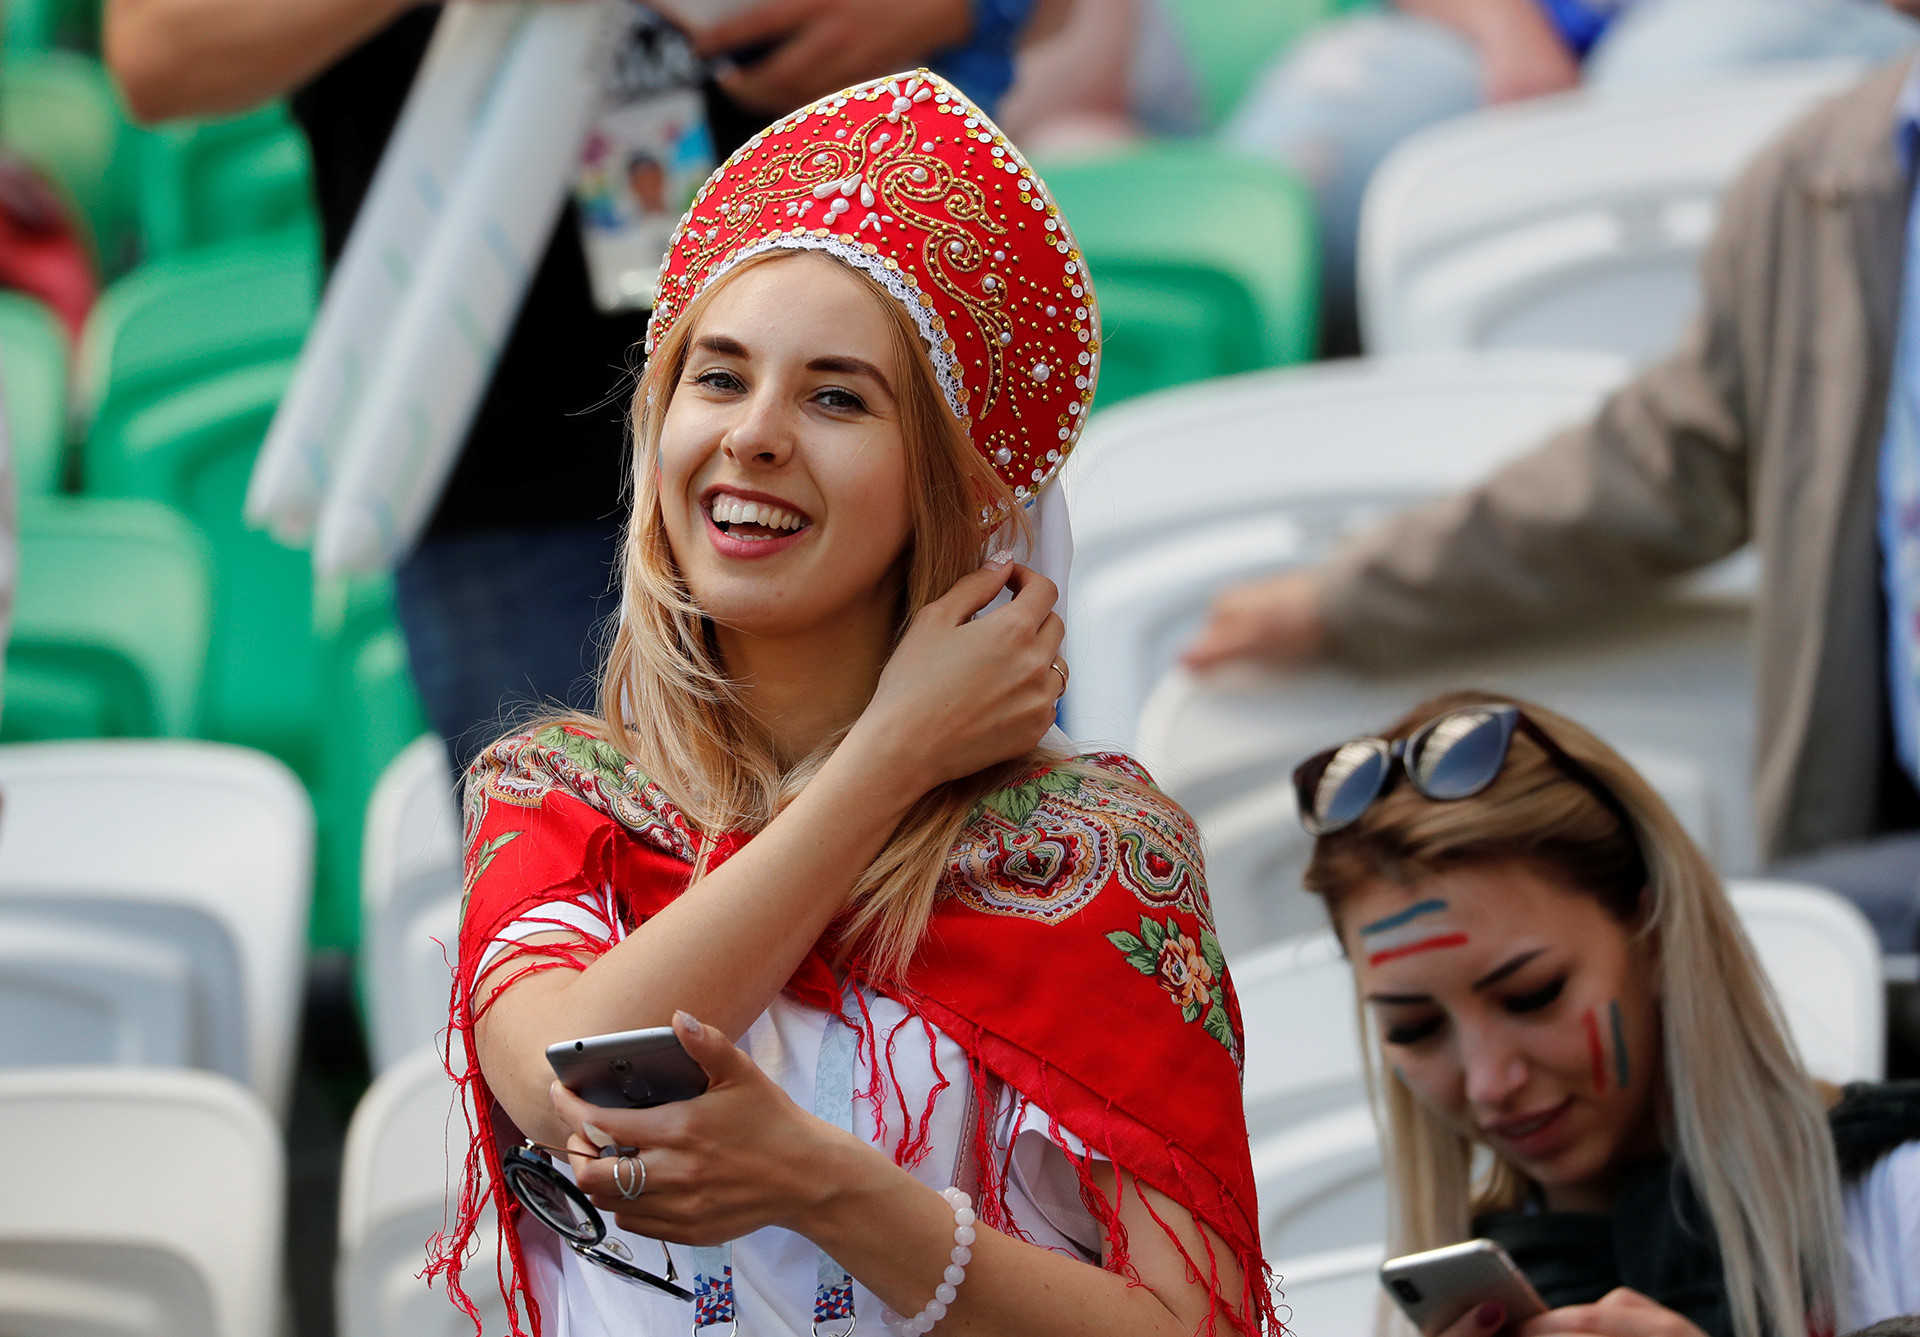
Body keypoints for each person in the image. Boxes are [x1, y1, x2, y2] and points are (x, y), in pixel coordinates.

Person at [432, 69, 1273, 1337]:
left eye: (837, 397)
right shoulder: (555, 790)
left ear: (943, 489)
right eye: (716, 380)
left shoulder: (1100, 851)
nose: (755, 435)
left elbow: (1198, 1325)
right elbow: (581, 1087)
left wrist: (830, 1187)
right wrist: (888, 758)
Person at [104, 0, 1049, 775]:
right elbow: (156, 49)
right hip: (508, 455)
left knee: (962, 890)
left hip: (871, 419)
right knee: (604, 923)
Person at [1185, 28, 1920, 956]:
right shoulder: (1820, 178)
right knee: (1713, 970)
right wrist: (1349, 593)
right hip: (1890, 853)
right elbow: (1656, 466)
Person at [1294, 690, 1920, 1337]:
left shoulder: (1893, 1198)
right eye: (1413, 1028)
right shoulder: (1434, 1305)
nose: (1489, 1080)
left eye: (1533, 994)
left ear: (1654, 933)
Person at [1224, 0, 1920, 349]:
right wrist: (1509, 32)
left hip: (1721, 34)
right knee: (1285, 180)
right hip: (1494, 38)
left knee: (1660, 92)